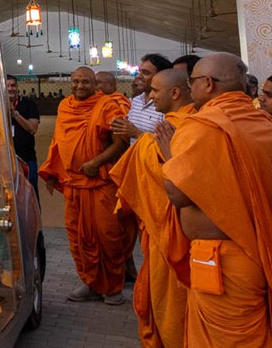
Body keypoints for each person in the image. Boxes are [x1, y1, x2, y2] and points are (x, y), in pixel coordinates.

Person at [156, 54, 272, 347]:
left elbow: (179, 193)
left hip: (221, 262)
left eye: (192, 83)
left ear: (207, 84)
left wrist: (170, 155)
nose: (190, 90)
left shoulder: (202, 126)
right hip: (261, 254)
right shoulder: (269, 125)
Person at [110, 68, 194, 347]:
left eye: (154, 91)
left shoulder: (188, 126)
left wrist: (143, 138)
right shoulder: (170, 125)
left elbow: (184, 180)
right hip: (158, 225)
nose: (149, 96)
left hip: (174, 226)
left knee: (173, 299)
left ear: (175, 92)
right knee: (160, 293)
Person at [39, 66, 133, 306]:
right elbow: (59, 141)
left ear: (95, 85)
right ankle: (91, 283)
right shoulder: (64, 106)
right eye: (76, 81)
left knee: (108, 236)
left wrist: (96, 162)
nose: (79, 86)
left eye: (85, 82)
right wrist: (52, 171)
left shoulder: (108, 106)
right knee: (77, 237)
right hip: (74, 184)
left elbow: (121, 143)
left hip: (101, 183)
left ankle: (112, 287)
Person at [115, 54, 172, 142]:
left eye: (145, 73)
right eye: (139, 72)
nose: (139, 76)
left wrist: (136, 132)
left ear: (160, 76)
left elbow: (169, 143)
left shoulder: (165, 105)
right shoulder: (136, 101)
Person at [7, 76, 41, 196]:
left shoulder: (28, 104)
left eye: (13, 85)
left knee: (30, 190)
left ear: (17, 87)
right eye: (7, 86)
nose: (10, 88)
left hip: (27, 157)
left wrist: (15, 114)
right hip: (4, 159)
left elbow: (32, 128)